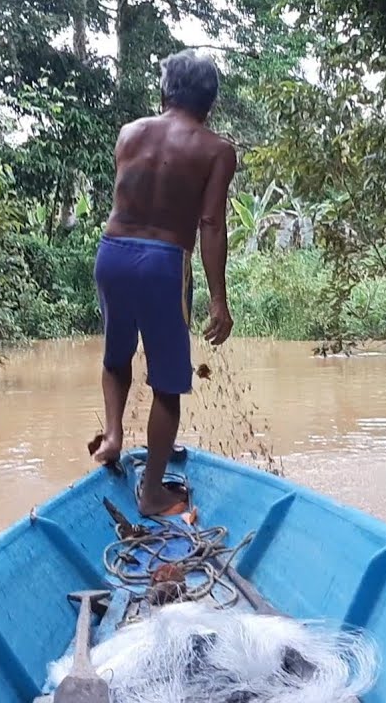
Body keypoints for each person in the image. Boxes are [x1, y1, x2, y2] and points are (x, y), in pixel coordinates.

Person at [89, 49, 238, 517]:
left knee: (116, 356)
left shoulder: (129, 133)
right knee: (167, 384)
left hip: (111, 253)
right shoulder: (216, 150)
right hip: (165, 262)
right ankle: (153, 493)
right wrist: (219, 299)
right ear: (209, 102)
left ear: (164, 91)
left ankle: (112, 437)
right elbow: (210, 224)